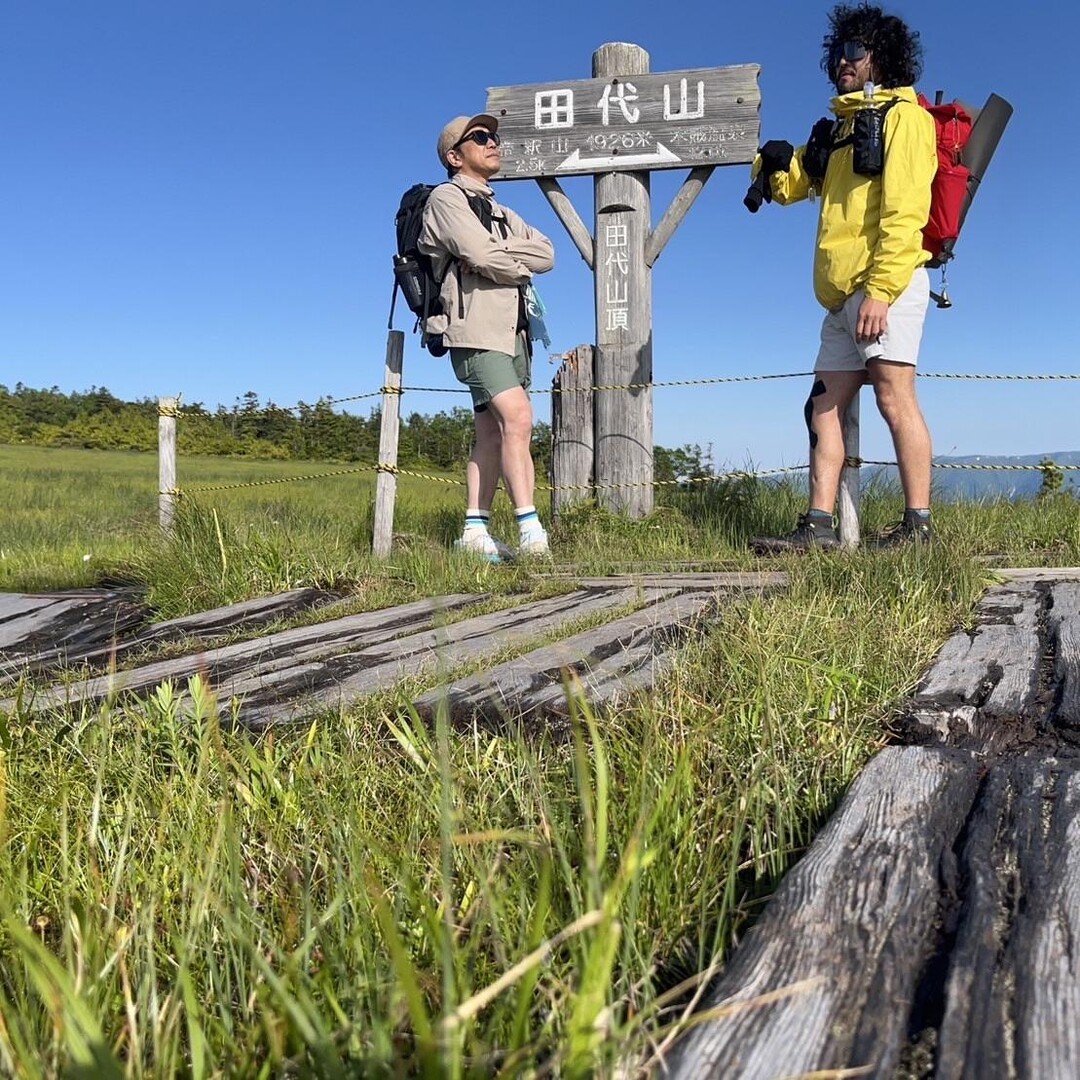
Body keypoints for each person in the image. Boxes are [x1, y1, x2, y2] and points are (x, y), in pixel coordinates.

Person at [749, 2, 938, 552]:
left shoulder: (905, 118)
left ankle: (919, 528)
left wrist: (881, 290)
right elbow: (791, 188)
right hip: (839, 296)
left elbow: (905, 214)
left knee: (893, 398)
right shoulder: (840, 130)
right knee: (822, 404)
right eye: (837, 52)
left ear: (883, 57)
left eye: (855, 50)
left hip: (885, 287)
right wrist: (769, 161)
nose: (842, 62)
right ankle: (818, 527)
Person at [418, 113, 555, 560]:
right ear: (455, 157)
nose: (492, 141)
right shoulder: (446, 198)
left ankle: (474, 533)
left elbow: (547, 254)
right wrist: (513, 264)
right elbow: (479, 253)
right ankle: (531, 532)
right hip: (474, 329)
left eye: (493, 135)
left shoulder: (500, 210)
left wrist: (500, 253)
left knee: (492, 433)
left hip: (513, 331)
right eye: (479, 137)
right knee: (519, 418)